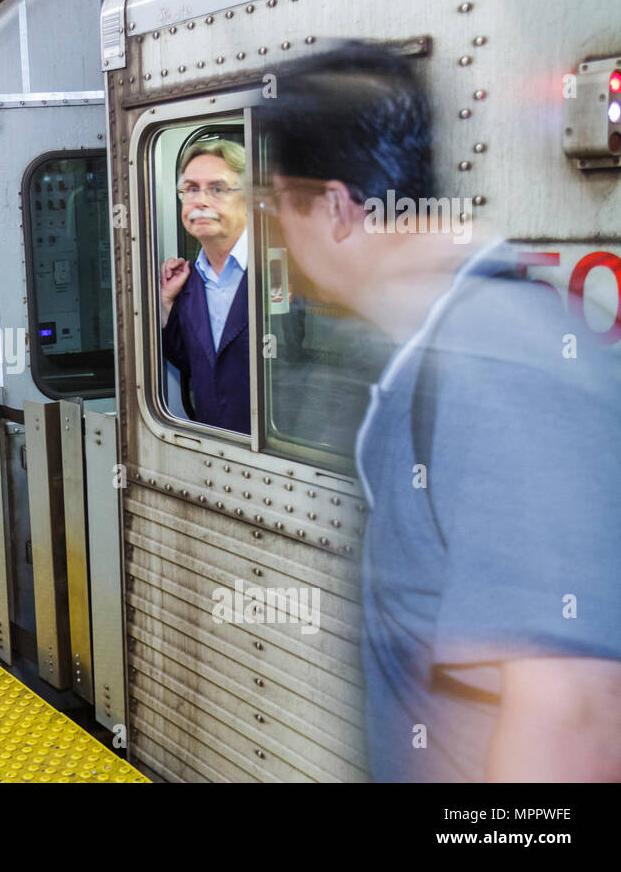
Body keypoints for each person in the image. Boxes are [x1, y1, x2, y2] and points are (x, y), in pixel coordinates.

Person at [257, 41, 621, 782]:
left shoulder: (494, 367)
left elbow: (575, 721)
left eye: (276, 206)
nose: (275, 236)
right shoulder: (430, 349)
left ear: (332, 207)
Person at [158, 140, 250, 433]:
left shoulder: (284, 271)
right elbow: (194, 364)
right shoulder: (190, 281)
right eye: (191, 189)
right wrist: (167, 305)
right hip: (213, 454)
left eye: (218, 189)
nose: (201, 201)